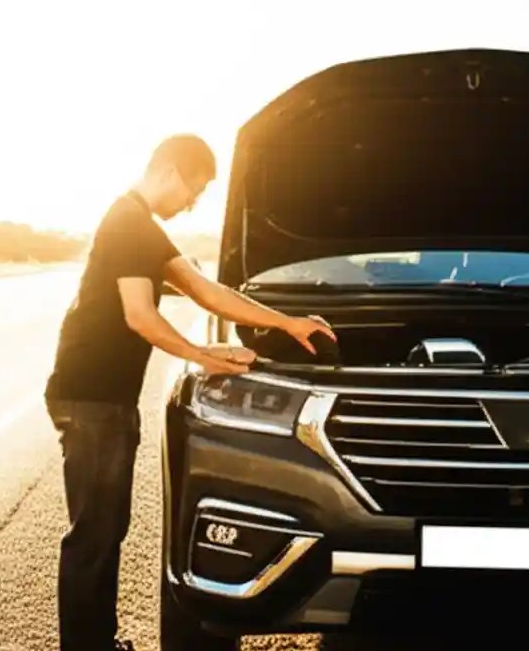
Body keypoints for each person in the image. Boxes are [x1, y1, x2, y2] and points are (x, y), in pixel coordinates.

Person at [43, 133, 335, 651]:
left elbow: (207, 291)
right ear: (170, 172)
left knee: (107, 529)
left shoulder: (139, 226)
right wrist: (204, 356)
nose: (192, 202)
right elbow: (140, 315)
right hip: (90, 398)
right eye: (194, 190)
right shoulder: (129, 221)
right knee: (94, 535)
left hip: (102, 397)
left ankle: (97, 643)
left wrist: (287, 323)